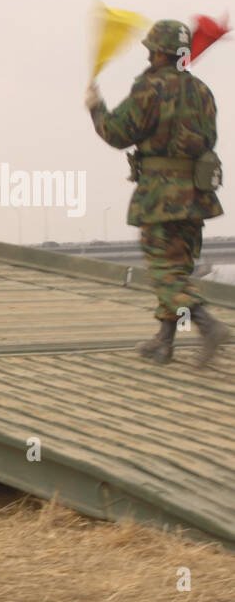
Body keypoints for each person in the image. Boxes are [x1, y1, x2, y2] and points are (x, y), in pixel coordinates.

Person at [86, 19, 230, 366]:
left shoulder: (149, 88)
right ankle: (164, 343)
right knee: (177, 268)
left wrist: (96, 107)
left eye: (152, 51)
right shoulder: (201, 90)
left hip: (160, 197)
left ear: (159, 52)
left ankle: (209, 326)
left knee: (165, 273)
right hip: (197, 196)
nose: (149, 57)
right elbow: (209, 139)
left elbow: (117, 133)